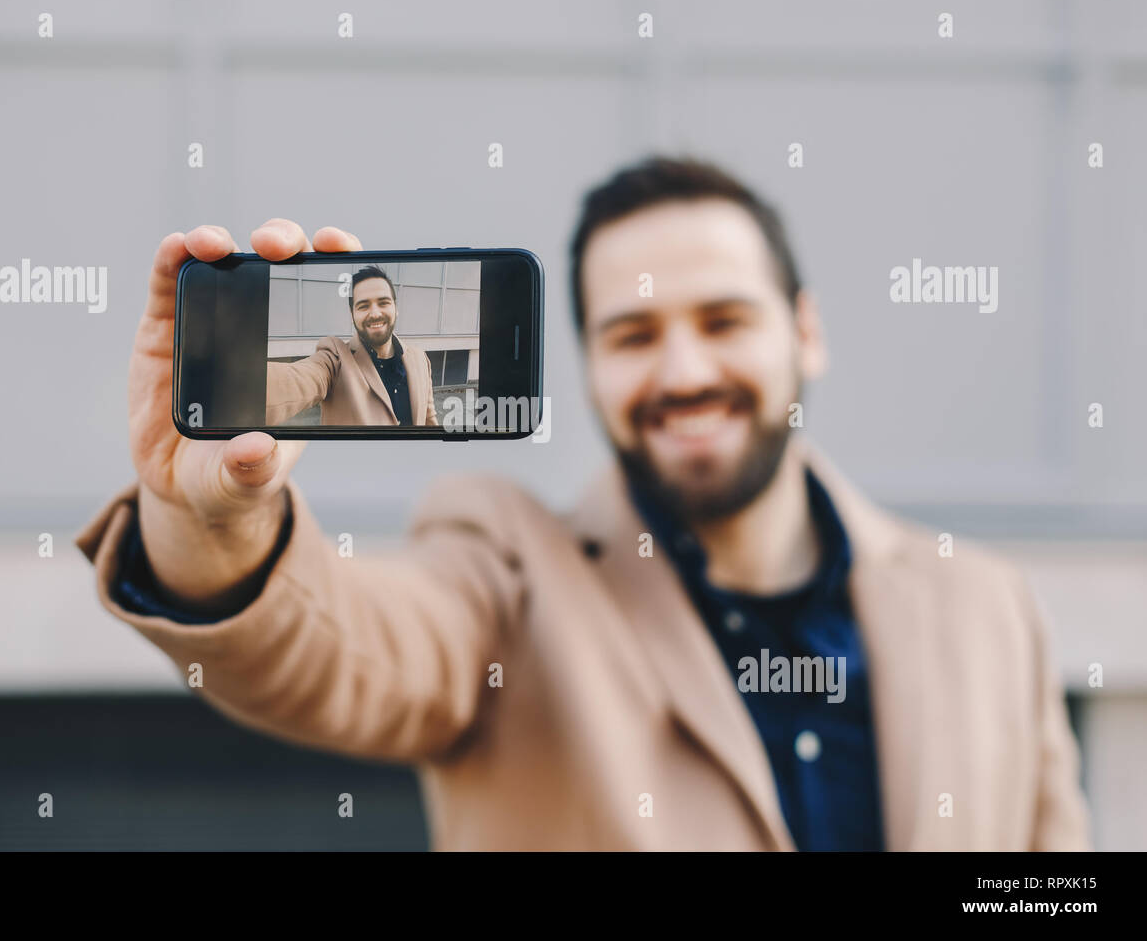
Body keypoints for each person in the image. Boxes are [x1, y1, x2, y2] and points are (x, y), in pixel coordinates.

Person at [76, 158, 1091, 850]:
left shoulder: (988, 607)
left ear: (805, 332)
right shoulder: (505, 566)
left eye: (723, 319)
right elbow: (349, 653)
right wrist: (215, 521)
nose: (684, 369)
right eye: (633, 332)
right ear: (592, 363)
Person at [265, 264, 438, 426]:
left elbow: (429, 419)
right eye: (363, 306)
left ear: (396, 308)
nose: (375, 313)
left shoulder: (420, 359)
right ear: (352, 314)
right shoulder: (335, 359)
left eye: (384, 302)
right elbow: (300, 378)